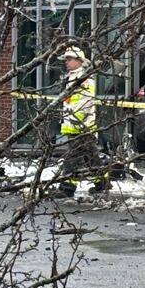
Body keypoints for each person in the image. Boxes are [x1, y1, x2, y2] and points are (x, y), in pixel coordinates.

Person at [51, 46, 109, 199]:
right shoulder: (72, 77)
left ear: (79, 60)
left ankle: (67, 188)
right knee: (90, 156)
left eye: (69, 59)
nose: (66, 62)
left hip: (80, 126)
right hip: (75, 125)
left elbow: (86, 101)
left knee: (73, 157)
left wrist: (76, 120)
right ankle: (102, 183)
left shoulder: (84, 78)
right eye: (66, 60)